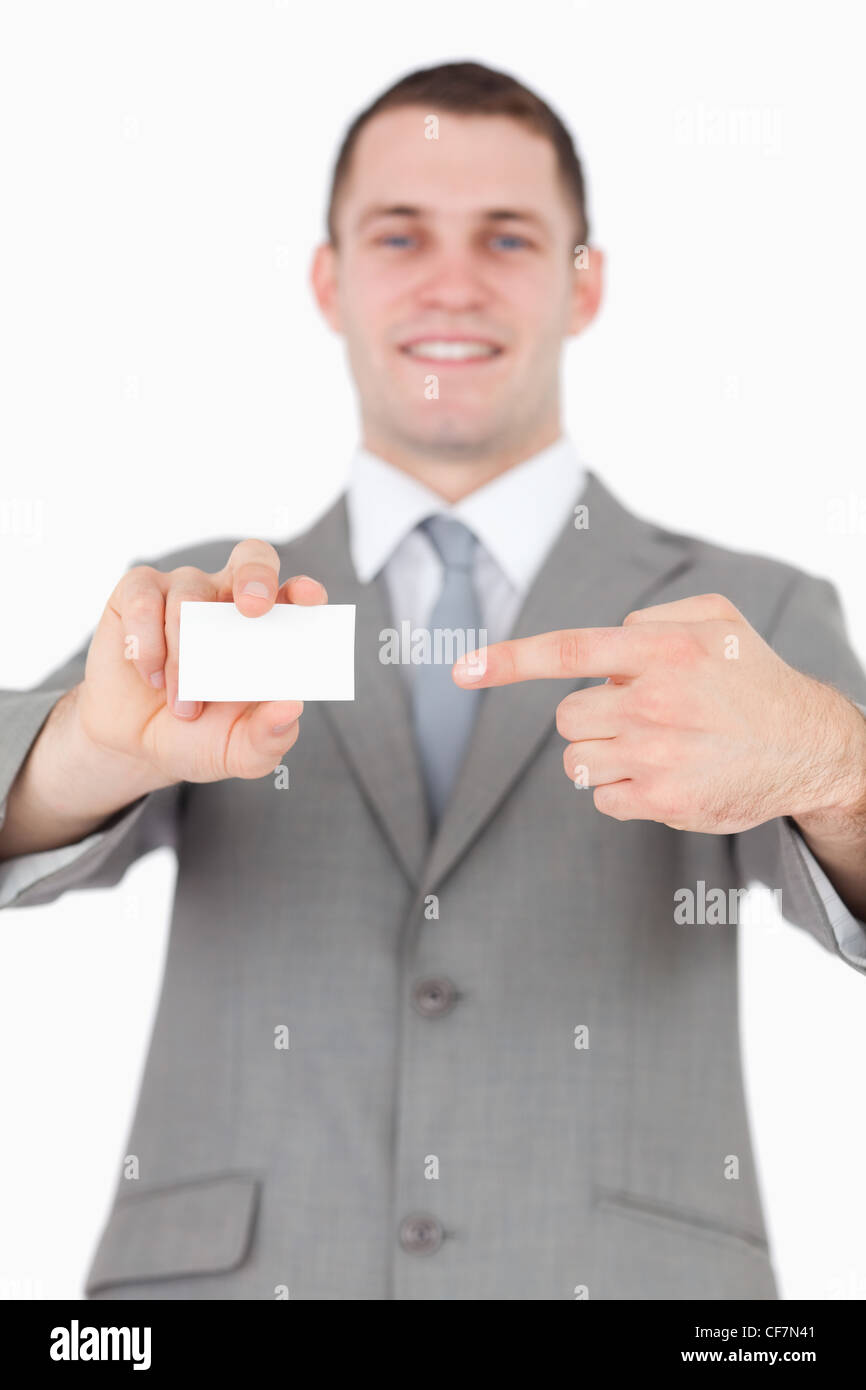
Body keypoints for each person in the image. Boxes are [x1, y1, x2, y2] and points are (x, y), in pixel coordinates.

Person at [1, 61, 865, 1302]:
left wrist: (830, 759)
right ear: (327, 279)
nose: (450, 282)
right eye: (397, 234)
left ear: (586, 284)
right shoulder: (201, 605)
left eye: (508, 237)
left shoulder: (744, 618)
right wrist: (90, 749)